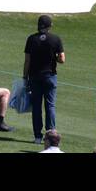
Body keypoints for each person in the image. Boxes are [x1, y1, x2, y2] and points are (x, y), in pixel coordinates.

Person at [24, 14, 65, 144]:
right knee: (50, 106)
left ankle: (37, 136)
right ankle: (50, 134)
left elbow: (27, 61)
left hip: (34, 76)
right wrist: (55, 57)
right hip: (50, 76)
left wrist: (25, 77)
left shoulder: (31, 39)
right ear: (50, 26)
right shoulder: (55, 39)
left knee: (36, 107)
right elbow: (62, 59)